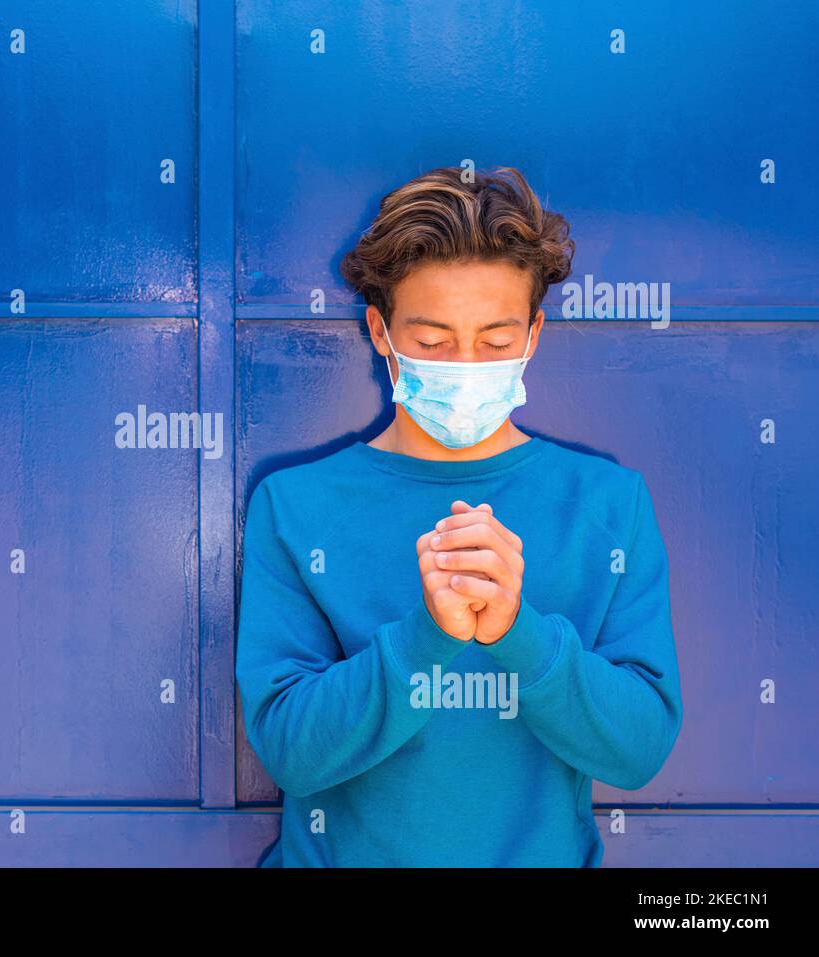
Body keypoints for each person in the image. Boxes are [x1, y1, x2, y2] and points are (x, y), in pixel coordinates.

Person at [235, 167, 683, 867]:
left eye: (496, 341)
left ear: (533, 334)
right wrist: (425, 638)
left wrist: (520, 634)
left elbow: (638, 749)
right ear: (380, 331)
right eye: (434, 340)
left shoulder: (607, 505)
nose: (466, 363)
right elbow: (292, 752)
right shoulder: (295, 506)